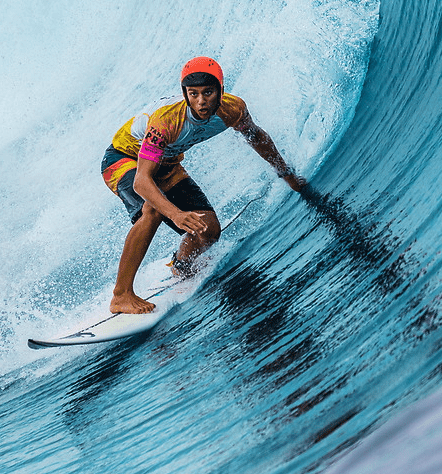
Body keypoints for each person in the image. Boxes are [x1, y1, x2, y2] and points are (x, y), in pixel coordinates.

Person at [100, 56, 307, 314]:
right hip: (123, 159)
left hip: (166, 164)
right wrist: (175, 214)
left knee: (208, 230)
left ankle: (181, 266)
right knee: (151, 210)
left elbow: (257, 137)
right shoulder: (166, 121)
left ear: (220, 89)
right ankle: (121, 295)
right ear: (184, 94)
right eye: (193, 94)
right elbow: (142, 182)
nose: (201, 101)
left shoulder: (233, 109)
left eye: (208, 92)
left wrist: (286, 174)